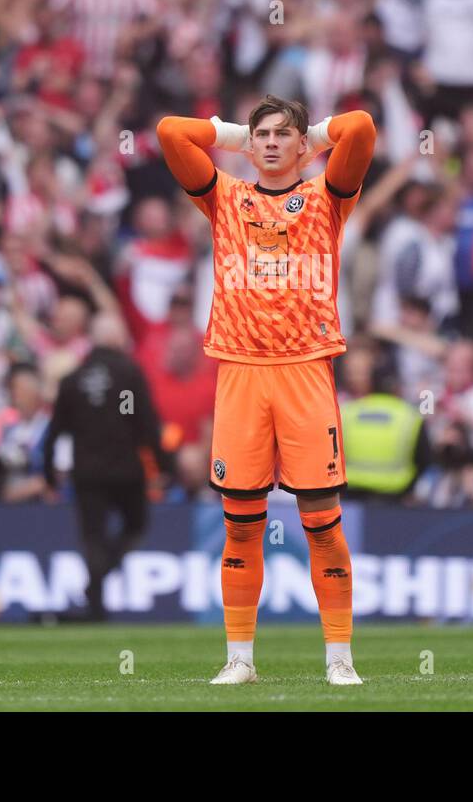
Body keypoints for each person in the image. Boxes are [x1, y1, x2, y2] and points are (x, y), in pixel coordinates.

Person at [156, 97, 374, 685]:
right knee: (240, 525)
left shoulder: (327, 198)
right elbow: (171, 132)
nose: (273, 143)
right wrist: (235, 136)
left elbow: (361, 127)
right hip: (240, 371)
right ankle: (240, 660)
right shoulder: (225, 196)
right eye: (264, 135)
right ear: (247, 145)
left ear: (303, 145)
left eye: (285, 135)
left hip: (306, 371)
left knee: (322, 521)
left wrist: (313, 136)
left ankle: (339, 660)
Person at [42, 315, 166, 621]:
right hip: (126, 471)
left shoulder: (72, 380)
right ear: (115, 339)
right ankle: (97, 586)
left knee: (92, 537)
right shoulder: (130, 373)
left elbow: (54, 432)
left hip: (87, 473)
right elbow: (148, 425)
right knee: (136, 528)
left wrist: (48, 474)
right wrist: (165, 466)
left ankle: (95, 601)